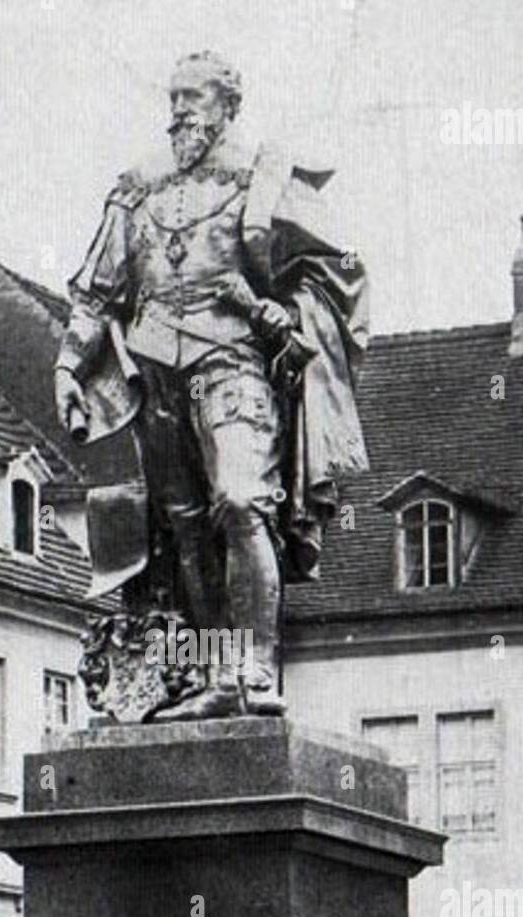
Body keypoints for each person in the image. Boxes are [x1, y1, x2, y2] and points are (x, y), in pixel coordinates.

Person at [55, 50, 369, 719]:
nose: (179, 111)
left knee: (239, 500)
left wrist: (275, 311)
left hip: (231, 363)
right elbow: (98, 293)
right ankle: (215, 675)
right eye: (173, 97)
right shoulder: (139, 186)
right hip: (153, 373)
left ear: (229, 105)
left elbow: (339, 276)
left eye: (194, 97)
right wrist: (66, 366)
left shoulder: (265, 177)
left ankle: (256, 669)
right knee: (185, 526)